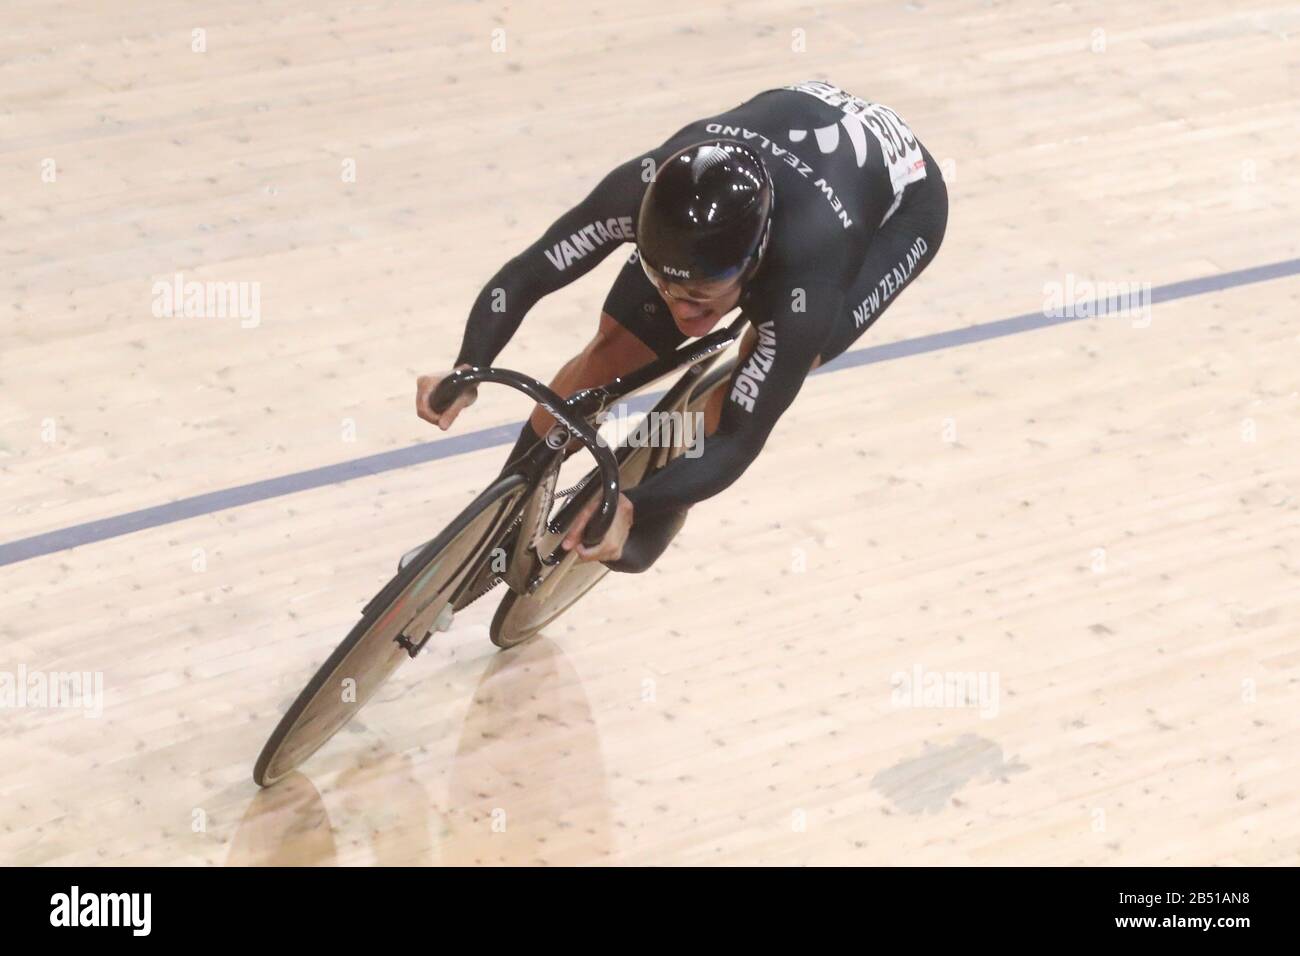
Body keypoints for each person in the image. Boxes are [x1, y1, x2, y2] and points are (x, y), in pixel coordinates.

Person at [416, 80, 948, 572]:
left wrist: (630, 503)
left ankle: (661, 509)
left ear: (754, 262)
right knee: (610, 353)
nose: (683, 315)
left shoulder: (806, 271)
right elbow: (530, 273)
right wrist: (468, 364)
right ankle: (498, 520)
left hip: (900, 211)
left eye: (699, 298)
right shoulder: (638, 188)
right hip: (785, 139)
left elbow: (740, 442)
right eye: (666, 287)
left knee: (761, 374)